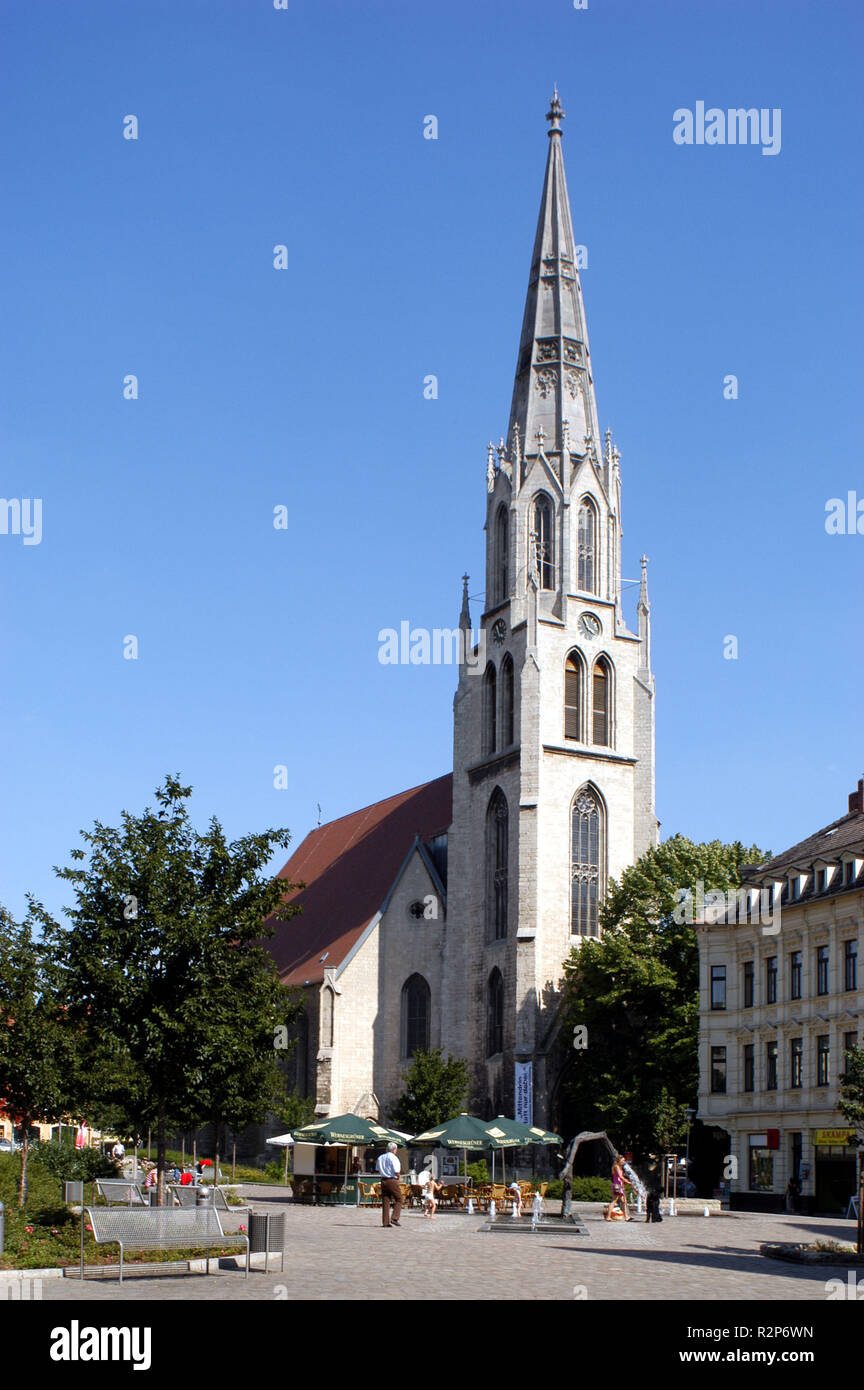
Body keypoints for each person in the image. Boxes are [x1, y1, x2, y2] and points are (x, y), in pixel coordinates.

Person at [375, 1142, 403, 1227]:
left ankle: (385, 1222)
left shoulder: (380, 1157)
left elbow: (377, 1168)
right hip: (392, 1179)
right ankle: (394, 1218)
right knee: (399, 1199)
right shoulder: (394, 1158)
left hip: (383, 1180)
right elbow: (396, 1171)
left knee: (386, 1200)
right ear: (394, 1150)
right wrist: (398, 1177)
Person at [606, 1155, 632, 1221]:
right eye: (622, 1160)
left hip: (620, 1186)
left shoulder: (619, 1167)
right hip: (617, 1186)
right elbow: (620, 1177)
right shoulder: (616, 1167)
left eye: (624, 1160)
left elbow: (620, 1178)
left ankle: (626, 1217)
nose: (624, 1162)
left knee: (624, 1201)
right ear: (619, 1161)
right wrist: (627, 1181)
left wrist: (624, 1183)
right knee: (614, 1201)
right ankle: (608, 1216)